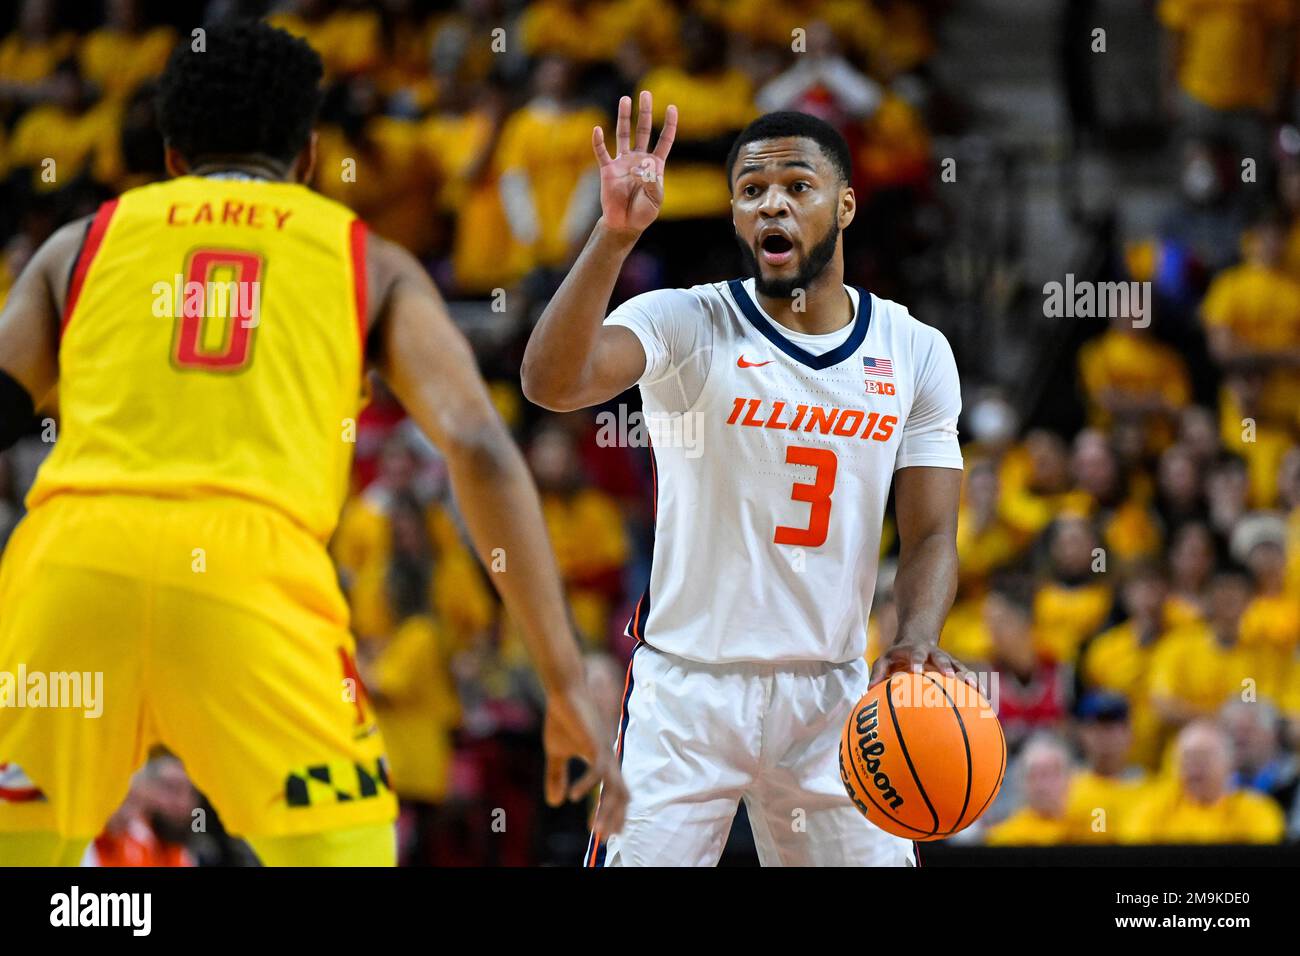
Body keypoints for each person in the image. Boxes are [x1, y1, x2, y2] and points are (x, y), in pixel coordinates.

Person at [0, 20, 626, 867]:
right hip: (251, 582)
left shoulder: (79, 246)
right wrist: (559, 681)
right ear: (307, 157)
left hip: (69, 568)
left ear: (173, 156)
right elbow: (478, 446)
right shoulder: (366, 259)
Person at [523, 97, 967, 866]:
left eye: (798, 185)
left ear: (846, 205)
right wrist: (612, 238)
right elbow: (550, 383)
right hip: (689, 694)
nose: (775, 202)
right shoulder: (684, 321)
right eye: (754, 190)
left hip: (833, 698)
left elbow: (930, 532)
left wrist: (916, 639)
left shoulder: (915, 349)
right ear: (735, 216)